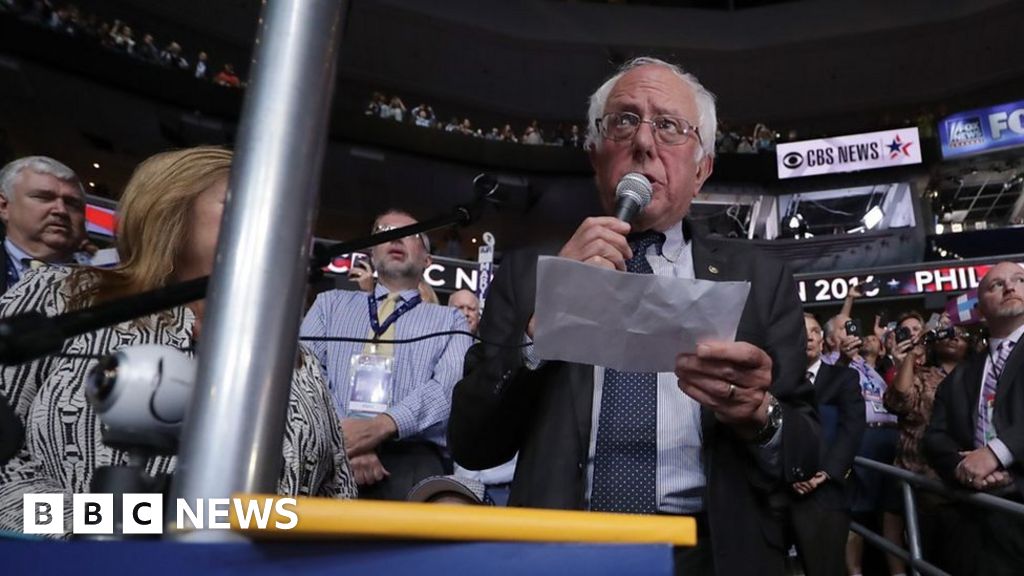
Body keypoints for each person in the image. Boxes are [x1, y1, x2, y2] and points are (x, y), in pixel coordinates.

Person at [448, 57, 819, 576]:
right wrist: (547, 320)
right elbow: (473, 442)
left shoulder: (759, 279)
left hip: (710, 554)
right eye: (624, 120)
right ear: (596, 152)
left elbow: (804, 450)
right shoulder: (532, 274)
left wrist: (758, 415)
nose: (644, 142)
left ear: (702, 168)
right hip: (562, 553)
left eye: (669, 126)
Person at [0, 147, 357, 534]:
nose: (286, 223)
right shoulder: (63, 296)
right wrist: (120, 528)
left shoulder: (296, 358)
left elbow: (336, 499)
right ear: (170, 211)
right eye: (251, 202)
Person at [301, 210, 472, 501]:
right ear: (372, 249)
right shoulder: (329, 305)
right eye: (385, 230)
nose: (395, 236)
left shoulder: (450, 320)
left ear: (427, 260)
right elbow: (304, 374)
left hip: (411, 459)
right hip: (327, 451)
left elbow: (447, 388)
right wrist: (346, 437)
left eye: (409, 234)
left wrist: (379, 427)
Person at [925, 261, 1024, 575]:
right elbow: (935, 436)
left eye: (1019, 280)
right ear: (979, 307)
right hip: (980, 521)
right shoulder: (961, 375)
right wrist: (962, 467)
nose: (1009, 287)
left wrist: (997, 453)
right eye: (996, 285)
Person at [883, 314, 969, 573]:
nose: (952, 336)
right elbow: (898, 402)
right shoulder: (922, 376)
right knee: (931, 560)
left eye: (960, 333)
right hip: (925, 482)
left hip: (969, 480)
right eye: (945, 333)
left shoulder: (980, 375)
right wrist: (909, 356)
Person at [786, 313, 864, 576]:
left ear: (822, 341)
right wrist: (789, 475)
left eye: (815, 331)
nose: (808, 336)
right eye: (801, 331)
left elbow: (851, 429)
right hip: (782, 490)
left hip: (826, 494)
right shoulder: (777, 383)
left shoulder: (844, 379)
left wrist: (826, 473)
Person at [0, 156, 87, 294]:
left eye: (71, 203)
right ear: (4, 206)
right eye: (44, 197)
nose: (61, 210)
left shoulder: (105, 291)